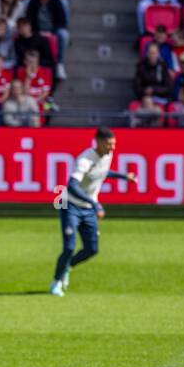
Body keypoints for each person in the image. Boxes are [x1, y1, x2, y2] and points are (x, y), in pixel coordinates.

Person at [50, 127, 136, 296]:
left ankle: (68, 267)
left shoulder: (107, 155)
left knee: (92, 249)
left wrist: (124, 177)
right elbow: (72, 186)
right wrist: (95, 203)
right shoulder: (85, 159)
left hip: (89, 209)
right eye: (109, 144)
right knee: (69, 248)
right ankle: (56, 282)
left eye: (114, 144)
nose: (112, 148)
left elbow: (102, 173)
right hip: (70, 206)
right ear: (98, 142)